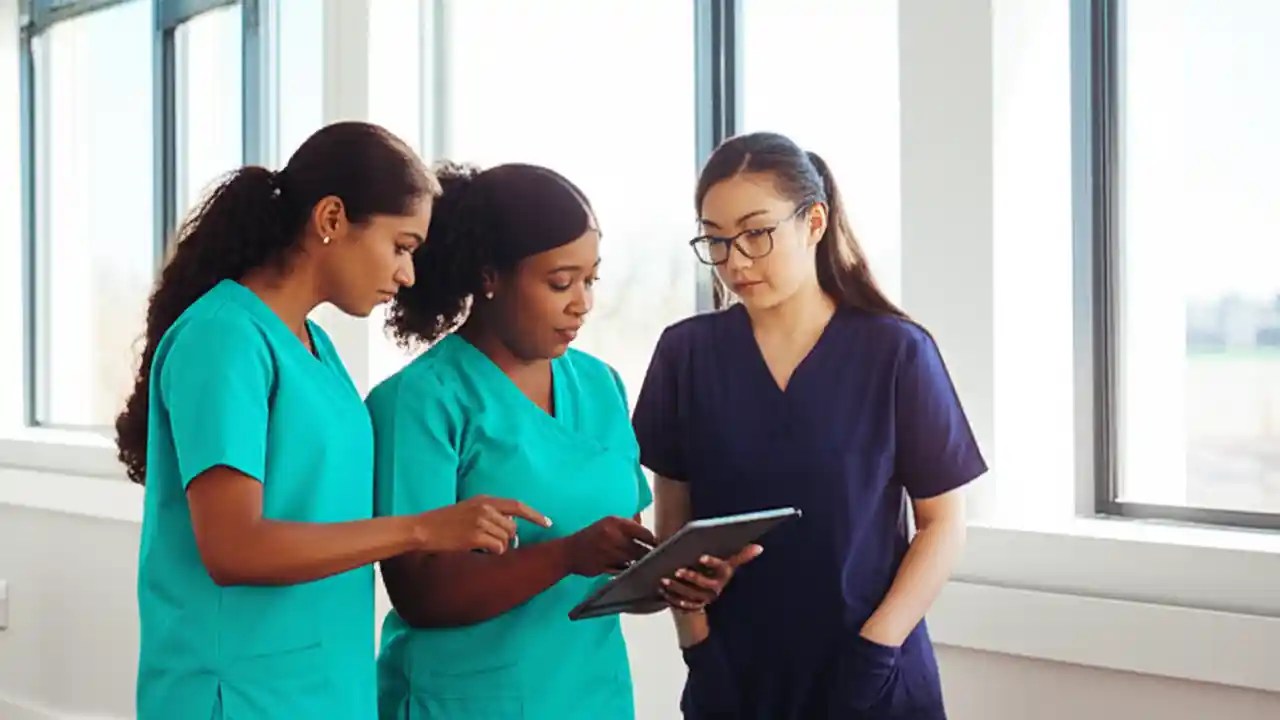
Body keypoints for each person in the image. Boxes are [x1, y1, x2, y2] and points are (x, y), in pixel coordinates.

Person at [118, 122, 547, 720]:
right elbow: (233, 547)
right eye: (400, 246)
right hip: (239, 693)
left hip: (326, 686)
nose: (408, 275)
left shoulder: (318, 349)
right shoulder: (224, 338)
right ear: (331, 219)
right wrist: (420, 530)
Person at [632, 131, 986, 719]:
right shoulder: (686, 355)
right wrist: (697, 647)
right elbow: (676, 523)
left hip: (872, 677)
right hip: (736, 680)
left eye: (756, 233)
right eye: (716, 242)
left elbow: (942, 523)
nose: (736, 261)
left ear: (814, 221)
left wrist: (875, 654)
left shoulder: (895, 352)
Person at [366, 161, 660, 720]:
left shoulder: (601, 385)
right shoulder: (420, 402)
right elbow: (421, 595)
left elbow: (621, 552)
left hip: (591, 698)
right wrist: (567, 556)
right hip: (465, 702)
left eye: (590, 280)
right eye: (560, 282)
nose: (583, 303)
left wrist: (672, 574)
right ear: (489, 277)